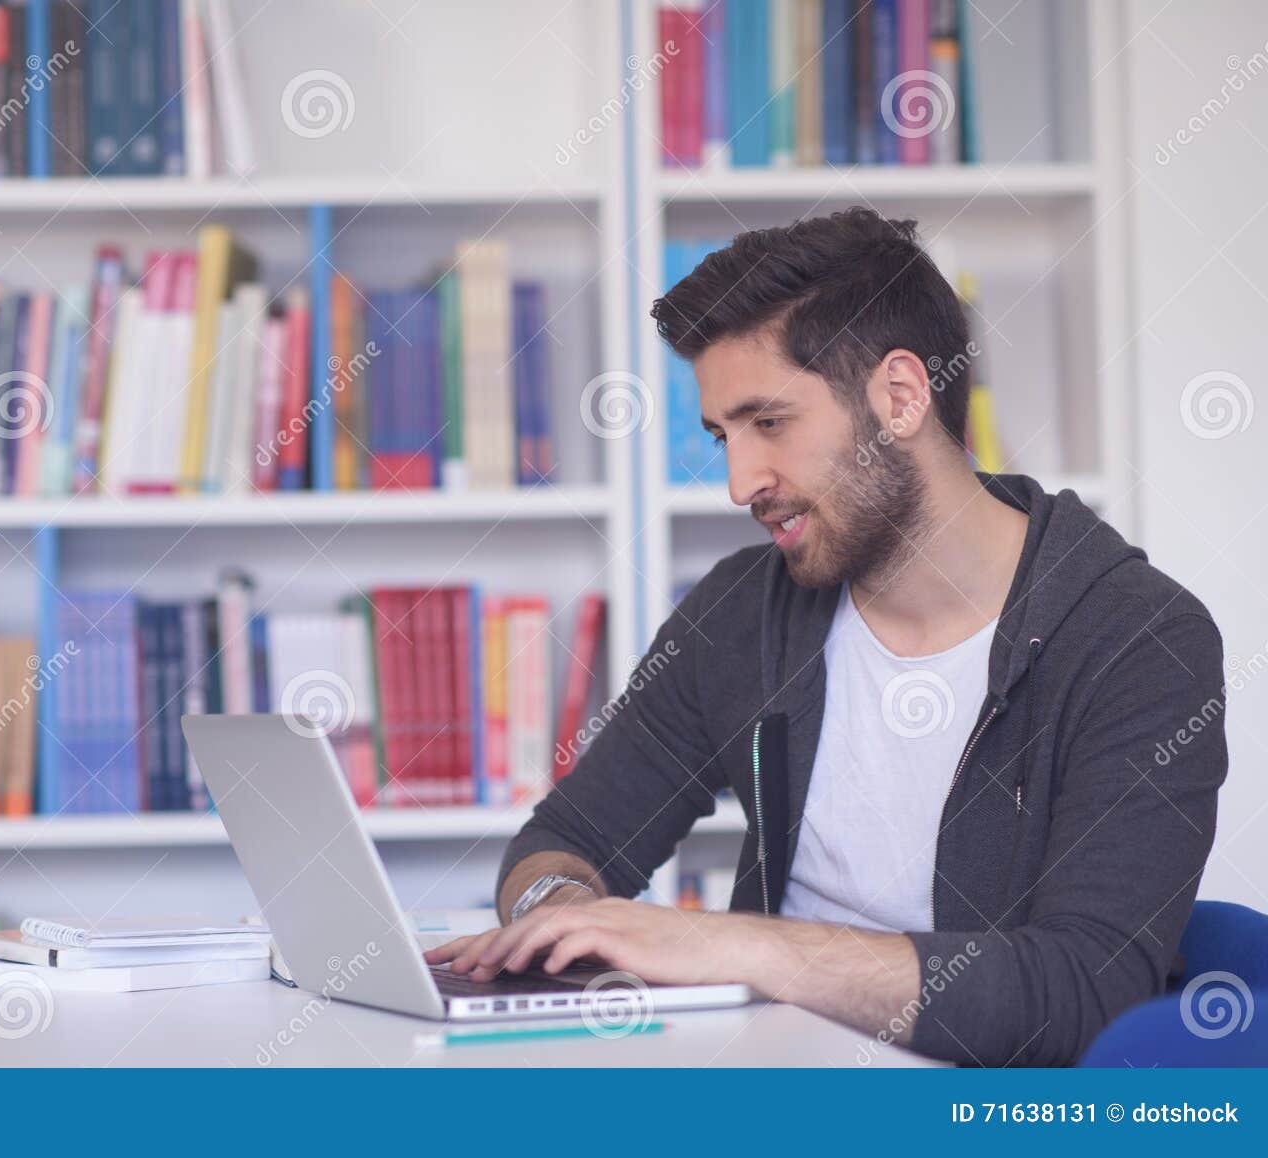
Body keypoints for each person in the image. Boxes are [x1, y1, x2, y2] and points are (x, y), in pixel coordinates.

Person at [426, 208, 1228, 1066]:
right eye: (722, 436)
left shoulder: (1138, 639)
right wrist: (559, 913)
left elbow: (1082, 993)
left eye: (768, 422)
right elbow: (568, 835)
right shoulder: (742, 611)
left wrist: (734, 948)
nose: (740, 483)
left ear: (902, 395)